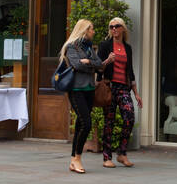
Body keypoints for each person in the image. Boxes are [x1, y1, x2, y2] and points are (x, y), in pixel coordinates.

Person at [98, 17, 142, 167]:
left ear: (122, 28)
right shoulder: (105, 45)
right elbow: (97, 68)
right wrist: (107, 61)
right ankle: (106, 157)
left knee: (129, 117)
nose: (114, 29)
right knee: (109, 122)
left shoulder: (127, 48)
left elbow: (131, 72)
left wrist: (136, 93)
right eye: (111, 27)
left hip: (124, 88)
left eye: (116, 26)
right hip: (109, 87)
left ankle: (122, 153)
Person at [61, 19, 99, 174]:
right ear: (84, 30)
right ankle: (77, 157)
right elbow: (77, 65)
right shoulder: (71, 47)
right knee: (86, 123)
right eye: (92, 29)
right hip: (76, 89)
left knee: (80, 124)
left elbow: (100, 63)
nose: (94, 31)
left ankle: (73, 160)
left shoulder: (89, 47)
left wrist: (88, 61)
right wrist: (91, 64)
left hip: (89, 89)